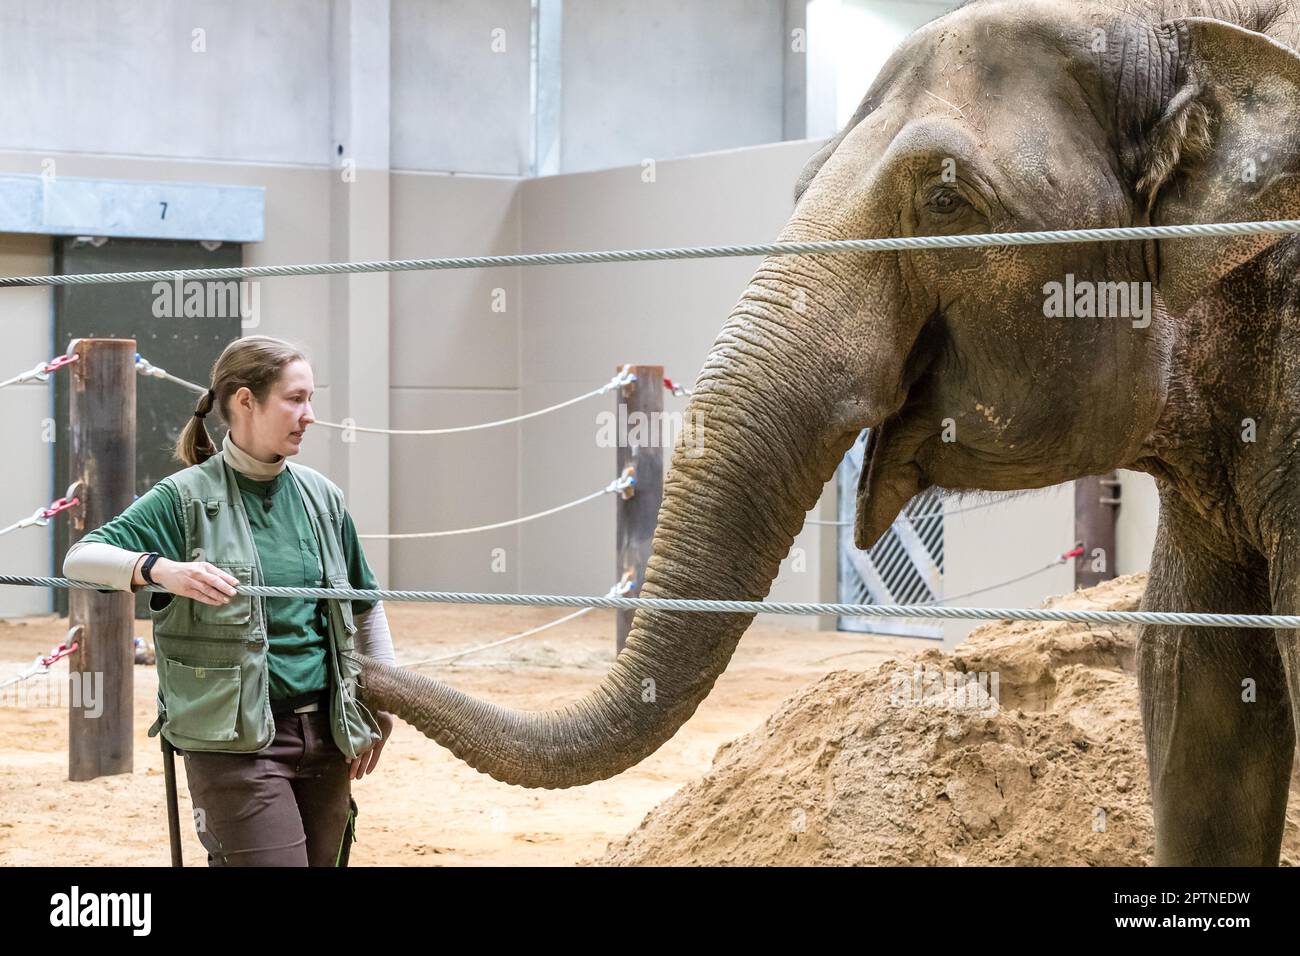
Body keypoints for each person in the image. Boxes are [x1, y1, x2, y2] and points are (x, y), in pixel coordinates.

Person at [63, 334, 396, 866]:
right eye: (295, 398)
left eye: (311, 399)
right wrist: (160, 570)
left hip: (328, 737)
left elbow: (364, 605)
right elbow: (79, 560)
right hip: (234, 747)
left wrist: (379, 703)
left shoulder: (322, 497)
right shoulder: (184, 497)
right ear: (245, 401)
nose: (309, 415)